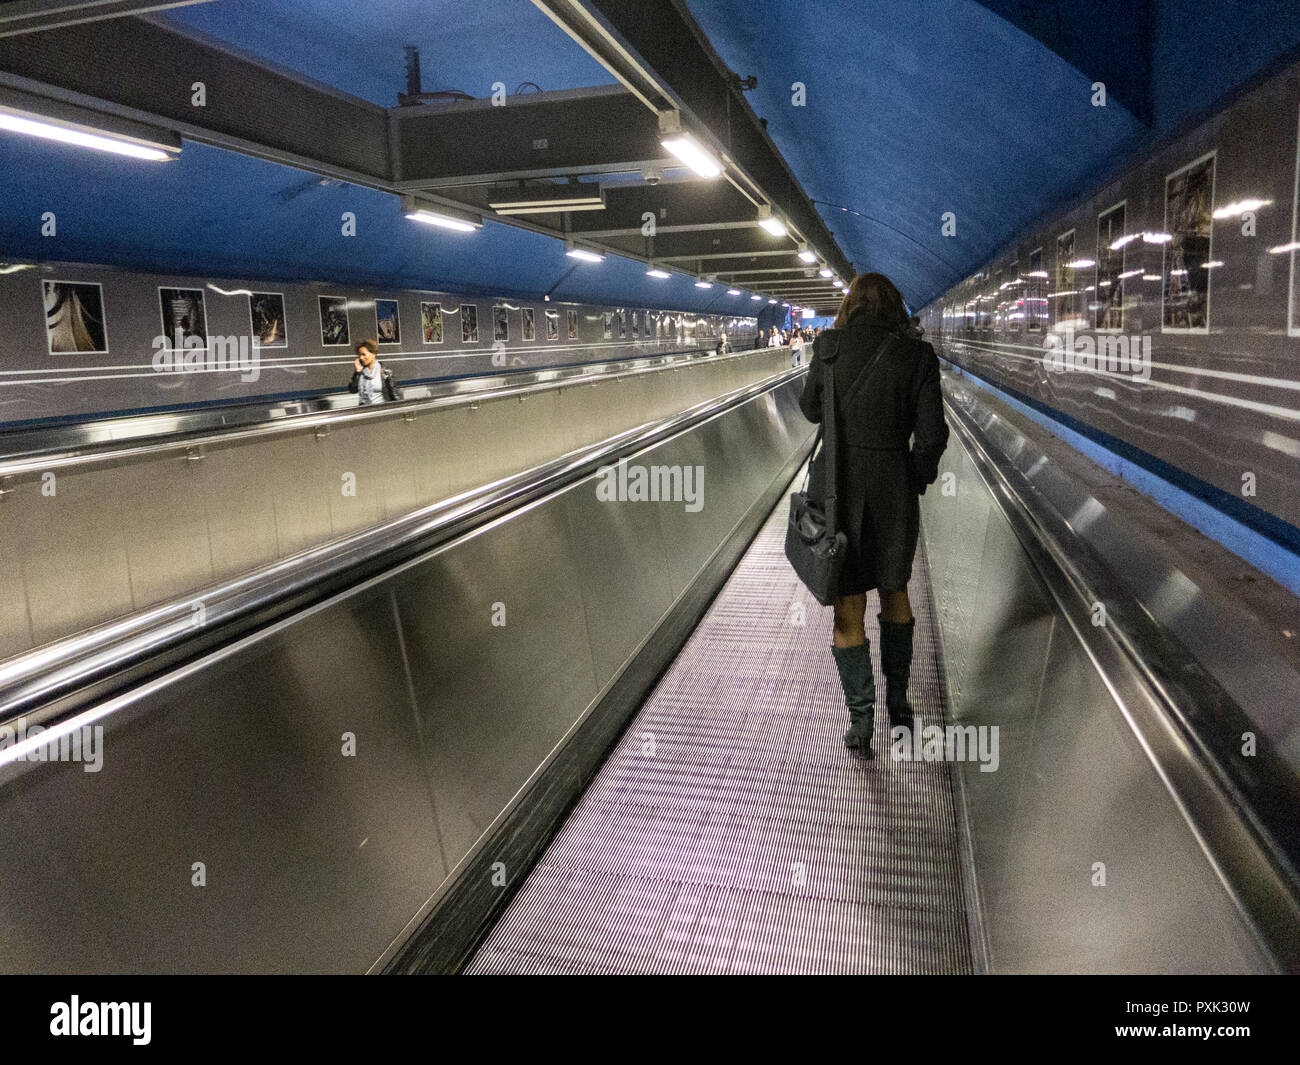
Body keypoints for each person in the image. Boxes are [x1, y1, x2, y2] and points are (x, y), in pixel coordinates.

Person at [798, 273, 948, 757]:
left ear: (851, 307)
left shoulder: (829, 349)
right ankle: (899, 703)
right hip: (892, 490)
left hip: (837, 488)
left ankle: (860, 722)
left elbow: (809, 410)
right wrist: (914, 479)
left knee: (848, 606)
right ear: (896, 307)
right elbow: (932, 436)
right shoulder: (918, 356)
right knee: (895, 591)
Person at [348, 339, 400, 404]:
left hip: (381, 410)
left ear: (373, 354)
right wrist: (358, 372)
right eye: (359, 355)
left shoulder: (385, 372)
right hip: (364, 410)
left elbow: (395, 395)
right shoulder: (360, 372)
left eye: (364, 354)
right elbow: (352, 390)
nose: (361, 357)